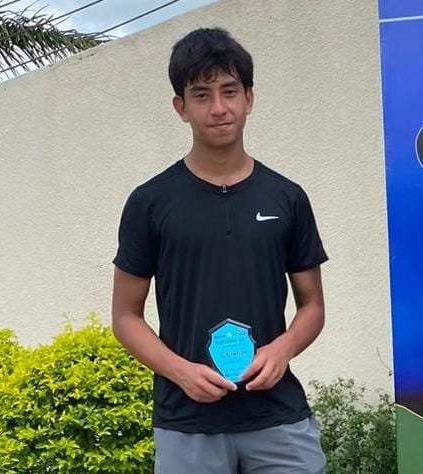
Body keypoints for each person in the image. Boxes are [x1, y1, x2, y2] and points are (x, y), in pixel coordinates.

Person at [112, 27, 328, 473]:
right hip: (186, 424)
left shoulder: (286, 197)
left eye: (230, 91)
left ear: (249, 97)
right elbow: (125, 317)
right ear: (181, 108)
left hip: (277, 417)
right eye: (202, 95)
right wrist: (180, 372)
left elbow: (313, 307)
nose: (218, 108)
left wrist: (283, 348)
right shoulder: (150, 202)